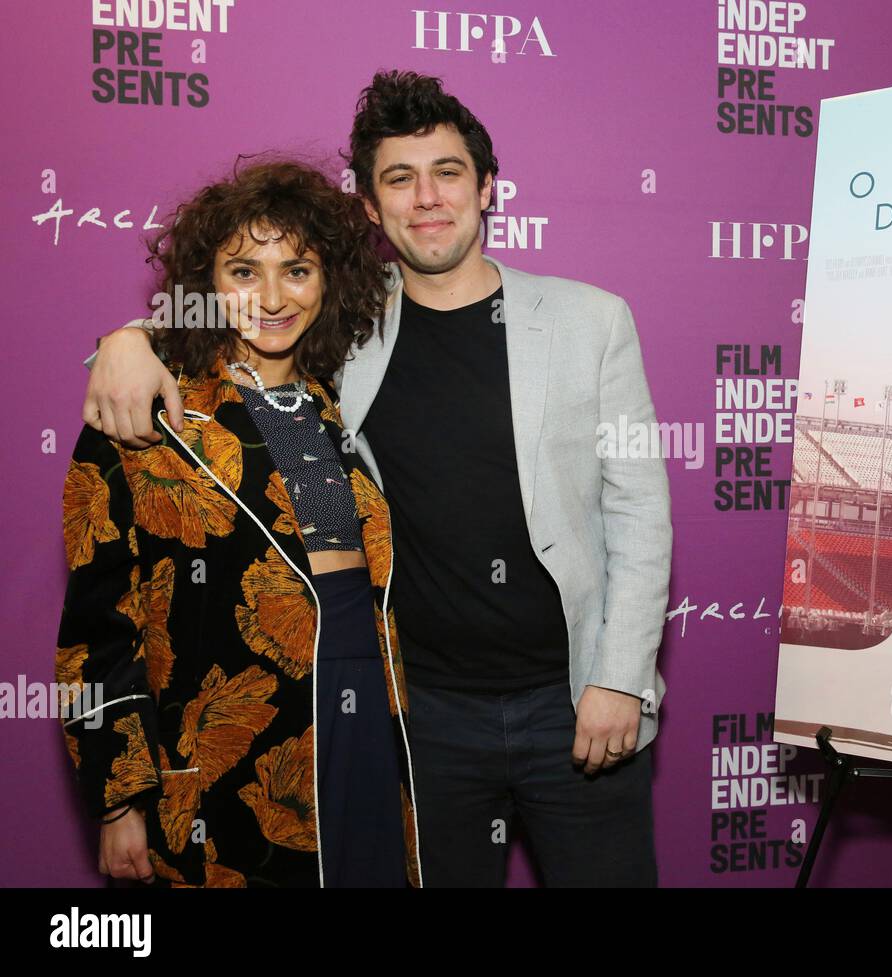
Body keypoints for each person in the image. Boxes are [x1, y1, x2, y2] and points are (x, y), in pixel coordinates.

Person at [80, 70, 672, 887]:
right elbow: (239, 309)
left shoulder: (592, 319)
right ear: (370, 206)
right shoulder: (348, 325)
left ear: (489, 187)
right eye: (399, 178)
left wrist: (619, 680)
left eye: (448, 172)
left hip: (573, 702)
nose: (427, 197)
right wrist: (127, 335)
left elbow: (640, 509)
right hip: (417, 717)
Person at [59, 161, 421, 887]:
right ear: (206, 285)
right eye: (243, 271)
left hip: (366, 714)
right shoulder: (149, 412)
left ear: (328, 282)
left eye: (298, 269)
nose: (274, 296)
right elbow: (96, 632)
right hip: (230, 752)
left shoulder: (334, 400)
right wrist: (117, 799)